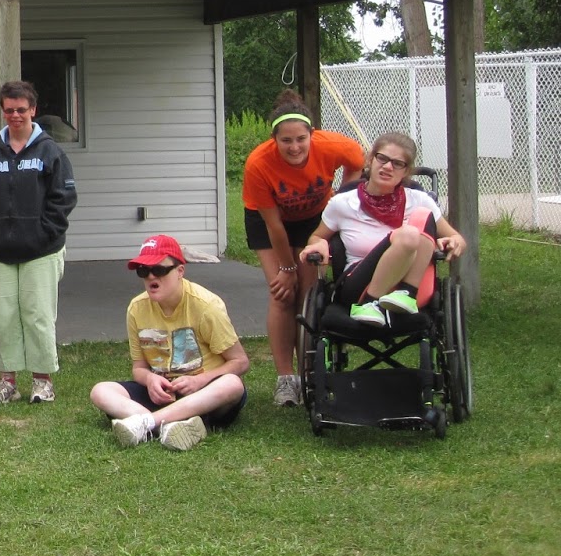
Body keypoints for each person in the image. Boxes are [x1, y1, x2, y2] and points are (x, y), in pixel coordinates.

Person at [240, 90, 364, 407]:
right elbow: (275, 227)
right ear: (274, 140)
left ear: (312, 135)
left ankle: (307, 373)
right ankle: (285, 379)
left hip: (313, 218)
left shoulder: (334, 145)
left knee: (307, 295)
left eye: (300, 139)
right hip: (270, 222)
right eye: (286, 141)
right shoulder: (258, 163)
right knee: (283, 292)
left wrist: (340, 199)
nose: (294, 147)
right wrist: (286, 269)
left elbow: (356, 161)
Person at [0, 80, 78, 406]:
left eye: (21, 110)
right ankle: (7, 381)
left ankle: (43, 381)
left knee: (38, 315)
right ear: (3, 111)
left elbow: (64, 198)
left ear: (33, 110)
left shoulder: (50, 152)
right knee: (4, 317)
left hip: (41, 251)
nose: (15, 116)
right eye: (9, 110)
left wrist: (45, 233)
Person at [89, 234, 250, 451]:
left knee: (232, 384)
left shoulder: (206, 306)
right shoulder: (136, 308)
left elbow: (240, 362)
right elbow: (139, 368)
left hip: (205, 394)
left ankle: (147, 423)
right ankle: (171, 426)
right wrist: (150, 380)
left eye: (159, 270)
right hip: (165, 395)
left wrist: (199, 381)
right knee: (101, 391)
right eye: (143, 271)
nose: (150, 277)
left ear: (180, 271)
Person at [304, 132, 466, 326]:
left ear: (406, 171)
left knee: (422, 217)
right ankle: (370, 302)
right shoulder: (342, 203)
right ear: (370, 160)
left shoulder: (420, 200)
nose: (388, 167)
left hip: (407, 289)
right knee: (408, 235)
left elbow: (456, 238)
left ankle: (407, 292)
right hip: (358, 287)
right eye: (382, 158)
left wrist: (454, 242)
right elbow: (316, 237)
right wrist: (319, 243)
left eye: (397, 163)